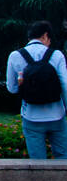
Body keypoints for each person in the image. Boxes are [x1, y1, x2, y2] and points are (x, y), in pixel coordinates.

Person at [6, 20, 67, 159]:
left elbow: (12, 88)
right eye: (49, 39)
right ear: (45, 36)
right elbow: (65, 85)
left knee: (38, 162)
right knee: (63, 159)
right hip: (57, 115)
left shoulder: (15, 56)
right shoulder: (57, 55)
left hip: (31, 116)